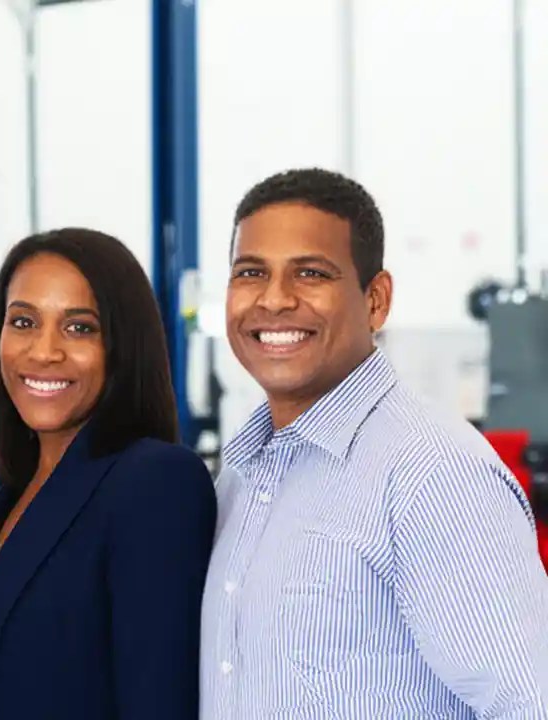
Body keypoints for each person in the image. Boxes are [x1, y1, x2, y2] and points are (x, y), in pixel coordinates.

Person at [202, 167, 548, 718]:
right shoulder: (243, 477)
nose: (274, 300)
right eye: (250, 273)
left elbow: (529, 701)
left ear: (376, 300)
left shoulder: (433, 475)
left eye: (310, 273)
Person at [0, 228, 216, 719]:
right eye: (23, 322)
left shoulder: (155, 483)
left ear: (122, 346)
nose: (43, 351)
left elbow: (159, 702)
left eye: (79, 328)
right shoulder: (10, 490)